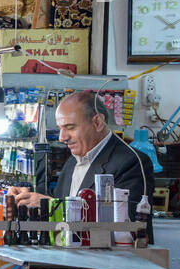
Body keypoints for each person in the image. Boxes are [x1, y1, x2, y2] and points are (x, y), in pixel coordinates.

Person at [14, 91, 156, 238]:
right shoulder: (73, 162)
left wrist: (53, 206)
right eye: (60, 129)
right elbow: (60, 202)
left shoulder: (132, 162)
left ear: (97, 122)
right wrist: (29, 201)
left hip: (111, 259)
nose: (62, 138)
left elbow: (127, 227)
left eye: (70, 127)